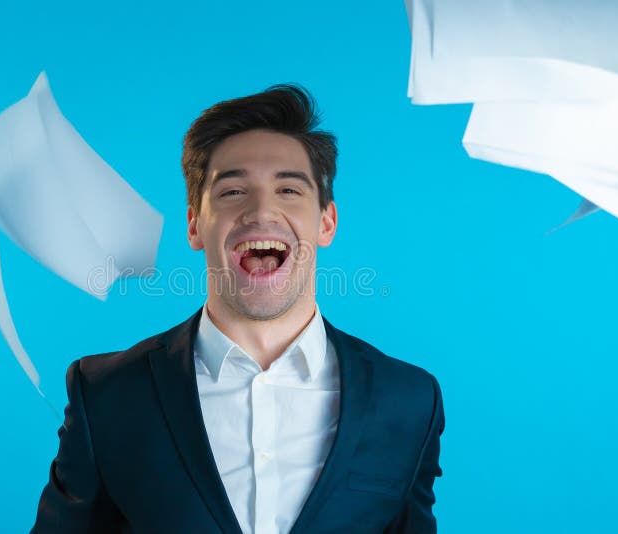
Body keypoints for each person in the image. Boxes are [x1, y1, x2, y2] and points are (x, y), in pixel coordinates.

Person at [31, 85, 444, 533]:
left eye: (289, 189)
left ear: (326, 223)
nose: (261, 211)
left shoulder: (409, 401)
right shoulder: (106, 395)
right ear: (195, 225)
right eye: (232, 191)